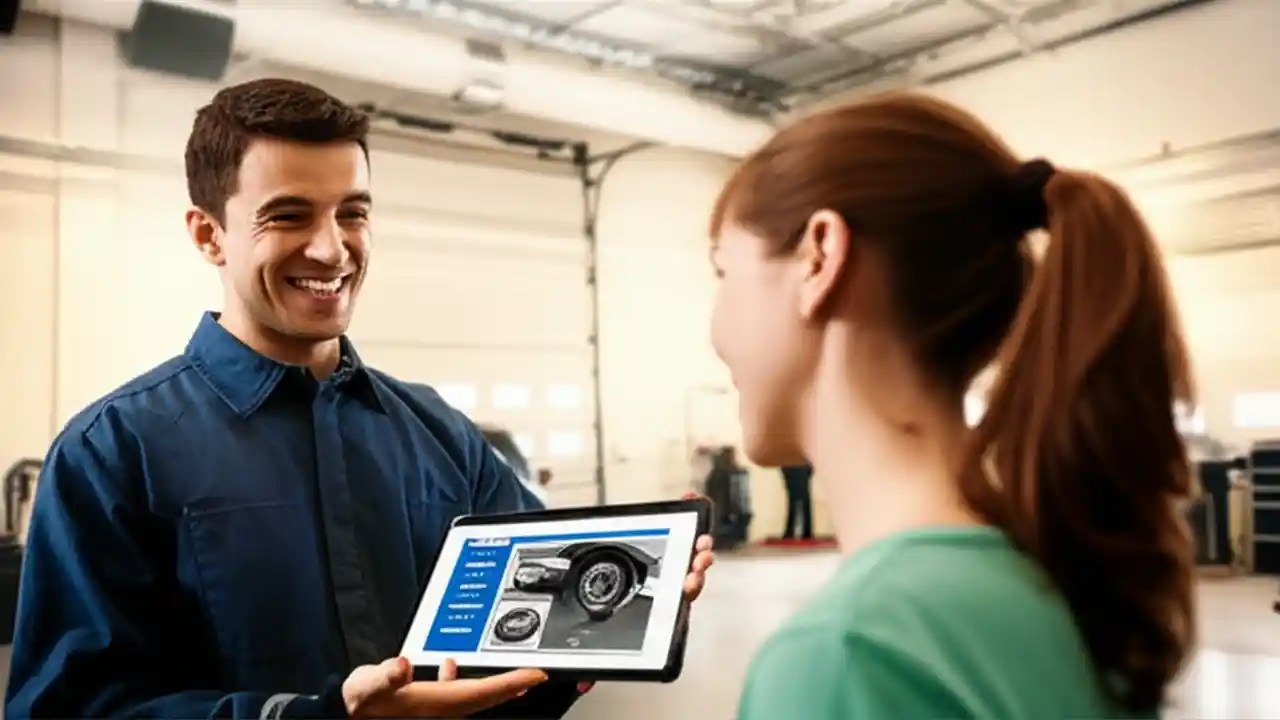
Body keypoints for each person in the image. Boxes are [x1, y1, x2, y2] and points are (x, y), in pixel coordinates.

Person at [4, 78, 714, 719]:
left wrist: (617, 619)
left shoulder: (442, 435)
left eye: (352, 212)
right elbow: (69, 707)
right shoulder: (112, 452)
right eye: (288, 216)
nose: (333, 249)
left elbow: (515, 660)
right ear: (208, 234)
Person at [708, 92, 1195, 718]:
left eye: (723, 271)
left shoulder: (848, 652)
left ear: (819, 258)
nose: (714, 327)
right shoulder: (1055, 581)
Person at [779, 464, 813, 540]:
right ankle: (802, 532)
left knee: (802, 500)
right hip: (795, 467)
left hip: (800, 467)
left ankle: (803, 532)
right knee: (795, 500)